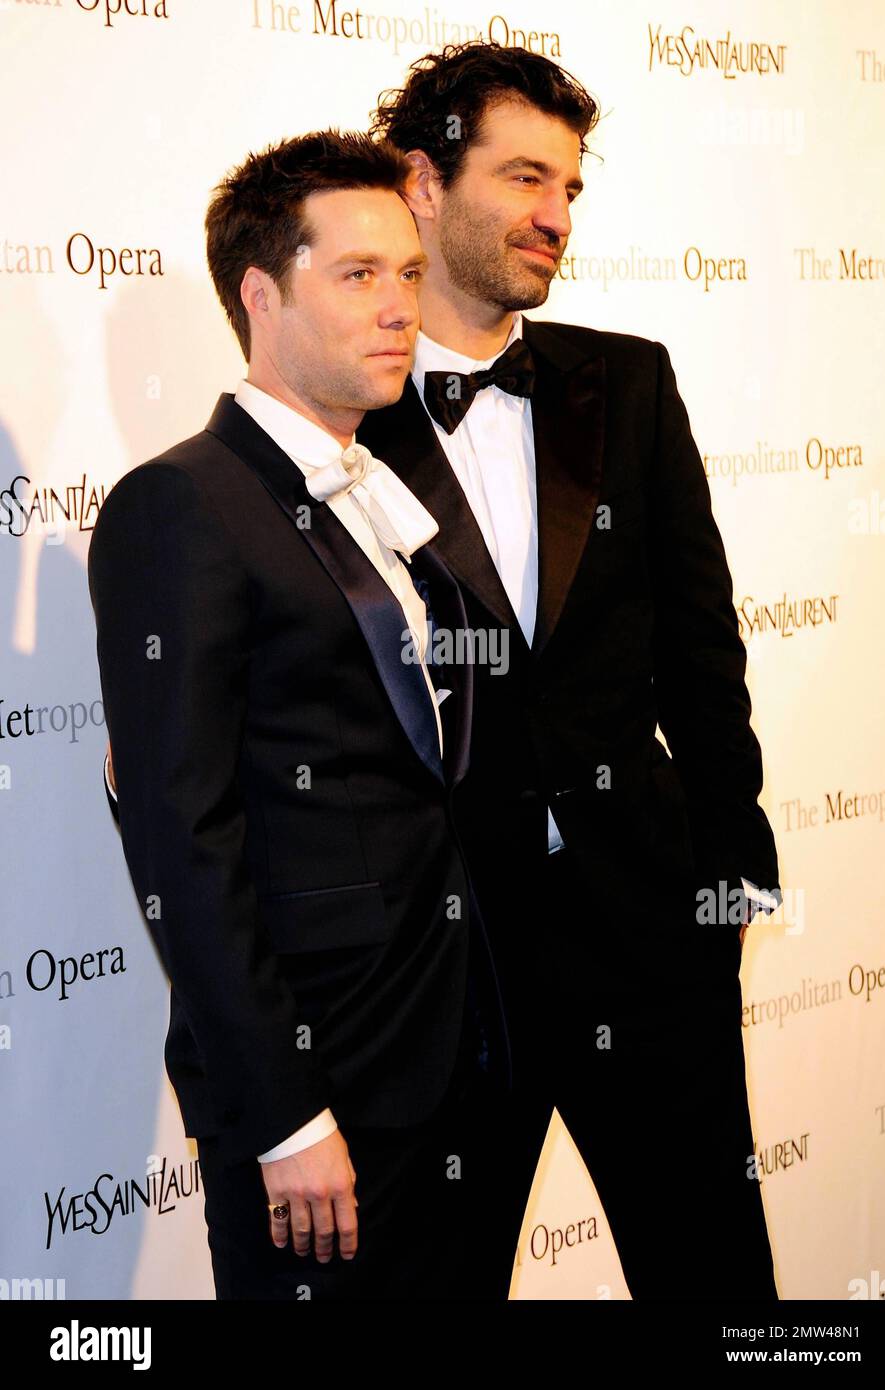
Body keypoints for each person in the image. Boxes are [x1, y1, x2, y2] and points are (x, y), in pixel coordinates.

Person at [359, 41, 784, 1299]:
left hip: (647, 934)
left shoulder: (627, 381)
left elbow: (701, 650)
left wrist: (726, 880)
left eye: (571, 190)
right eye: (524, 177)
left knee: (717, 1281)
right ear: (421, 183)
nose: (555, 216)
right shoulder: (339, 415)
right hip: (447, 964)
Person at [88, 131, 510, 1301]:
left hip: (447, 1048)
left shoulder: (377, 490)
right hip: (319, 1084)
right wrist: (281, 1114)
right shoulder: (181, 503)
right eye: (358, 275)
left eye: (408, 274)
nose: (398, 307)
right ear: (260, 294)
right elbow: (184, 834)